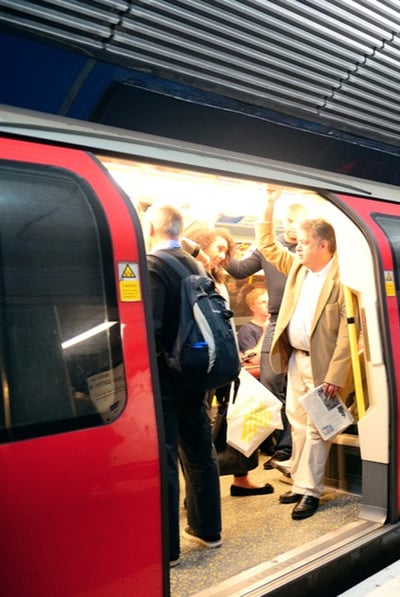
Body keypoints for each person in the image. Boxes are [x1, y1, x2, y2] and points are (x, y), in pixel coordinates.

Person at [257, 199, 353, 520]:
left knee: (317, 427)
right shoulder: (299, 268)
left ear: (323, 245)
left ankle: (310, 492)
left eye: (304, 243)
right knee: (296, 419)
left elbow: (348, 331)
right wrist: (268, 205)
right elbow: (266, 246)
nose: (297, 248)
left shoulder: (343, 277)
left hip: (323, 366)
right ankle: (299, 483)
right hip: (297, 359)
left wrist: (336, 373)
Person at [144, 204, 222, 566]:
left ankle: (168, 549)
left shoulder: (153, 266)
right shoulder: (198, 264)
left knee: (166, 456)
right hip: (197, 373)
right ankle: (208, 531)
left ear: (152, 228)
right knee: (199, 449)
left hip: (167, 377)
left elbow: (153, 327)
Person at [223, 190, 307, 468]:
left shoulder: (310, 248)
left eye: (299, 221)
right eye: (290, 221)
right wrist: (222, 249)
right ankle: (283, 443)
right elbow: (239, 269)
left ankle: (298, 443)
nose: (294, 227)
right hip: (277, 319)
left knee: (305, 383)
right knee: (271, 381)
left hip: (305, 318)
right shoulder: (268, 247)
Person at [190, 226, 274, 498]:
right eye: (219, 249)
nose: (223, 256)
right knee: (199, 425)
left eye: (226, 251)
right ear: (201, 247)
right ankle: (197, 489)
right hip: (203, 362)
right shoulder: (190, 275)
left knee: (241, 414)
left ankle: (241, 477)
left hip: (226, 360)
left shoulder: (220, 278)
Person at [237, 287, 269, 374]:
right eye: (263, 302)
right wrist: (265, 333)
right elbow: (254, 359)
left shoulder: (276, 326)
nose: (268, 305)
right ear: (253, 308)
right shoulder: (247, 330)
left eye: (269, 301)